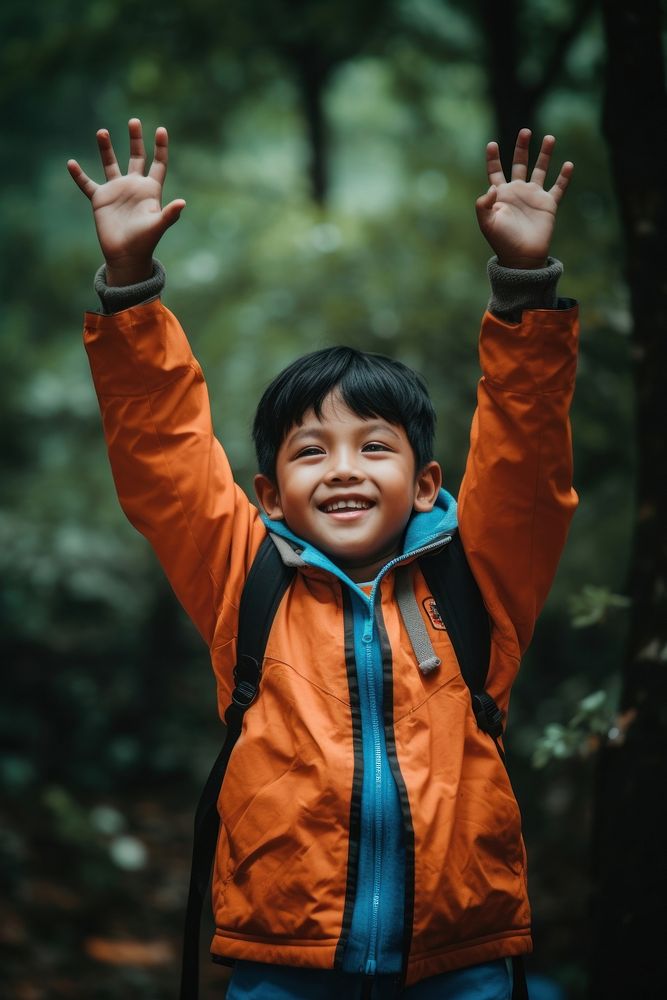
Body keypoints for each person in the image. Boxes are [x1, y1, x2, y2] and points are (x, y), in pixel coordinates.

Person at [67, 120, 578, 1000]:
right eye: (310, 453)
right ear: (268, 496)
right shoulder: (245, 577)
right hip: (282, 964)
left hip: (462, 964)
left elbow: (526, 460)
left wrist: (525, 293)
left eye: (372, 448)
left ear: (424, 485)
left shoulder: (475, 580)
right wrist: (128, 288)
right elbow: (167, 458)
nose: (342, 469)